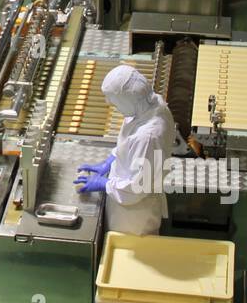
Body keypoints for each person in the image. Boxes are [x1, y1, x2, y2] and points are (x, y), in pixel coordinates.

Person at [74, 64, 177, 236]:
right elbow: (130, 139)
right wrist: (111, 160)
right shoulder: (150, 105)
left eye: (115, 103)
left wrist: (105, 184)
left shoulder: (148, 136)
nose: (113, 106)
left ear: (127, 99)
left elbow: (137, 189)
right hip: (127, 197)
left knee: (130, 254)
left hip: (134, 216)